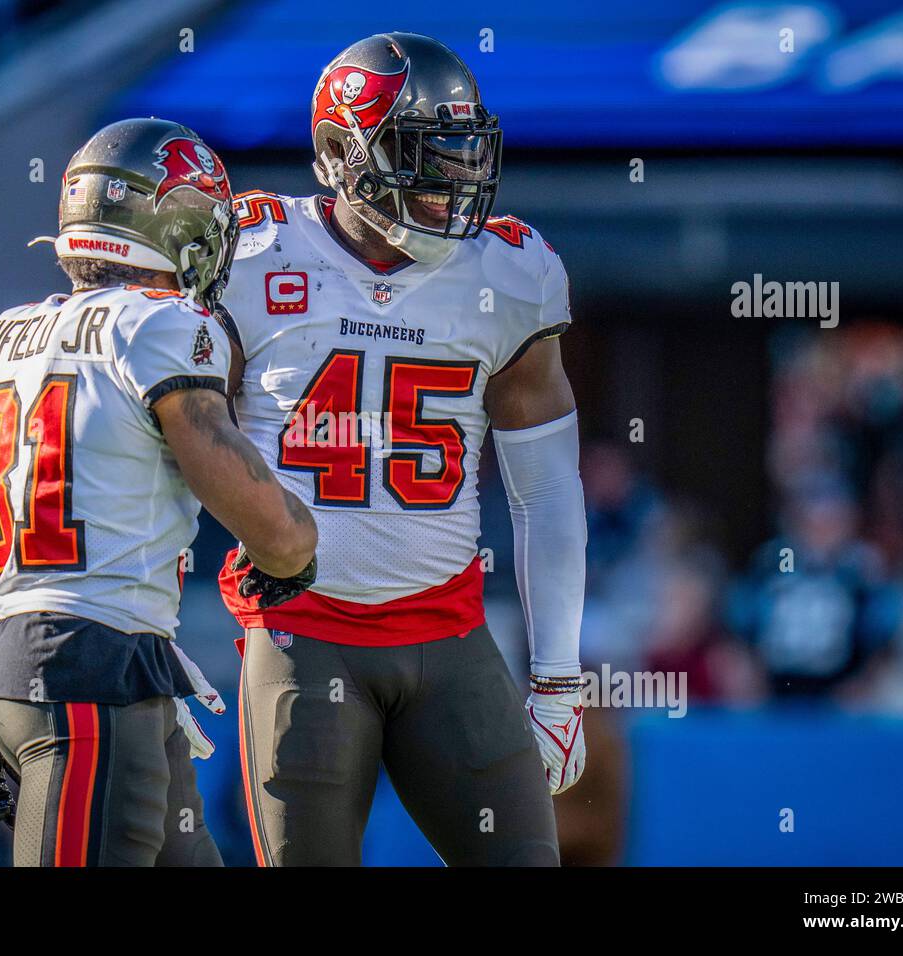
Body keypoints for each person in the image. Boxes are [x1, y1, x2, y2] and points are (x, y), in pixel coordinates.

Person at [217, 33, 587, 866]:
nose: (457, 182)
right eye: (427, 156)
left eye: (464, 155)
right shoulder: (248, 255)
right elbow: (178, 448)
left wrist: (559, 679)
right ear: (344, 153)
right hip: (300, 631)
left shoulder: (511, 272)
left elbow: (546, 488)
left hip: (449, 634)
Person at [0, 117, 317, 867]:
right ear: (180, 229)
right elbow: (274, 528)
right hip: (90, 683)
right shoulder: (161, 327)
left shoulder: (0, 338)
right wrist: (294, 552)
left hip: (40, 672)